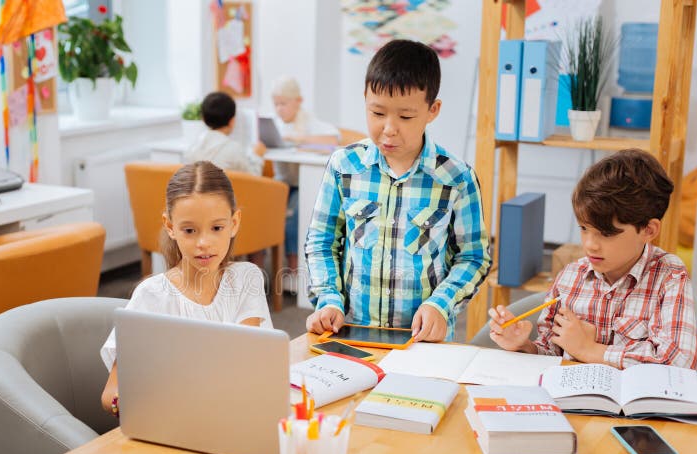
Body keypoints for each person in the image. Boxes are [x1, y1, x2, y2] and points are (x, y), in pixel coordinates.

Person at [304, 39, 491, 343]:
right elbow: (322, 242)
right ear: (365, 98)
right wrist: (328, 299)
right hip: (351, 332)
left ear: (433, 110)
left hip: (422, 340)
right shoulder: (344, 166)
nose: (389, 128)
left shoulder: (456, 178)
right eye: (377, 113)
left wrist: (440, 304)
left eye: (405, 117)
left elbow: (473, 257)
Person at [488, 148, 697, 369]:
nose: (590, 244)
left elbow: (679, 362)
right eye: (584, 228)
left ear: (648, 230)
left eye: (606, 234)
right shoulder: (570, 277)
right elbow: (551, 354)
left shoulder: (670, 276)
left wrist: (589, 349)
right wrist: (524, 346)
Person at [100, 161, 272, 416]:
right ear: (170, 227)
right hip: (176, 419)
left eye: (217, 228)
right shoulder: (152, 296)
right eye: (190, 230)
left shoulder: (246, 278)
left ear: (234, 223)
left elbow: (243, 362)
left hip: (235, 415)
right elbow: (110, 393)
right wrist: (124, 401)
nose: (204, 242)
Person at [270, 76, 340, 291]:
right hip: (280, 184)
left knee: (294, 219)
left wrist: (299, 139)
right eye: (276, 104)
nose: (279, 109)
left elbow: (334, 139)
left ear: (298, 101)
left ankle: (293, 272)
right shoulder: (276, 125)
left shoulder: (309, 122)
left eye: (283, 104)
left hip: (302, 185)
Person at [184, 91, 266, 177]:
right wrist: (257, 156)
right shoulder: (233, 149)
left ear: (203, 119)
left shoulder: (193, 148)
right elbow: (253, 179)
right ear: (232, 121)